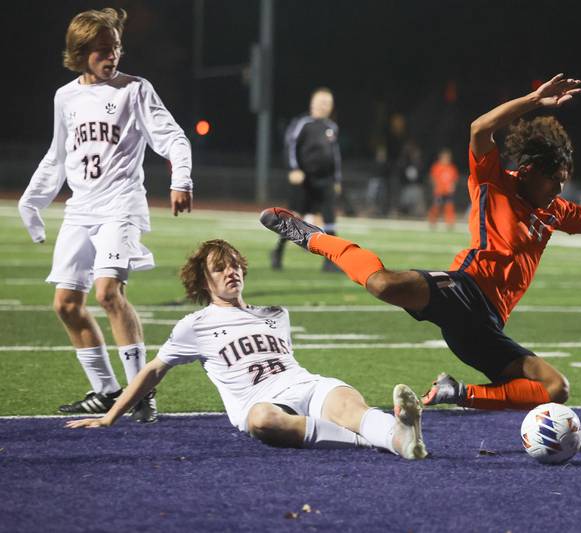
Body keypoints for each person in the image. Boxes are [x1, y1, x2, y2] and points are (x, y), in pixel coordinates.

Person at [260, 73, 581, 412]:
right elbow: (480, 127)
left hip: (487, 325)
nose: (559, 188)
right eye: (554, 179)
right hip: (463, 290)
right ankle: (314, 238)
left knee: (556, 388)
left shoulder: (554, 211)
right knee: (383, 285)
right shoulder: (495, 181)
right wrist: (535, 99)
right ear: (532, 169)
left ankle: (456, 393)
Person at [65, 240, 428, 460]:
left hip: (307, 385)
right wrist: (111, 415)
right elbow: (154, 370)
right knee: (261, 422)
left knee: (349, 405)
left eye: (235, 265)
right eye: (220, 269)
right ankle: (386, 438)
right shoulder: (196, 325)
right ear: (204, 282)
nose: (231, 272)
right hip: (261, 403)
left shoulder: (275, 315)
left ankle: (399, 438)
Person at [17, 8, 192, 422]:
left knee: (108, 293)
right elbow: (57, 157)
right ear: (80, 53)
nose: (112, 56)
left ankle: (141, 394)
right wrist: (32, 201)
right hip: (80, 210)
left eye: (116, 47)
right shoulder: (66, 97)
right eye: (102, 50)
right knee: (65, 304)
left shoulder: (135, 90)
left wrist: (181, 178)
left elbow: (172, 137)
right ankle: (106, 390)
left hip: (121, 205)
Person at [271, 88, 342, 272]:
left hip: (325, 180)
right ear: (313, 103)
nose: (325, 106)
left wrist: (337, 179)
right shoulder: (302, 123)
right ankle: (278, 251)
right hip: (304, 179)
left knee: (329, 218)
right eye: (322, 102)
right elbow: (290, 146)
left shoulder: (331, 127)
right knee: (295, 217)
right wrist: (294, 169)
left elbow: (335, 156)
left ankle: (330, 261)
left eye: (328, 103)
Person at [427, 148, 460, 229]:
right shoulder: (437, 167)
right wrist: (435, 186)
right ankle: (432, 221)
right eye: (445, 157)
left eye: (448, 157)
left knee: (449, 207)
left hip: (448, 192)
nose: (446, 159)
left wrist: (453, 185)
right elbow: (432, 177)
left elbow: (455, 179)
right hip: (439, 191)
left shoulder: (452, 168)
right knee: (436, 207)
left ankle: (450, 223)